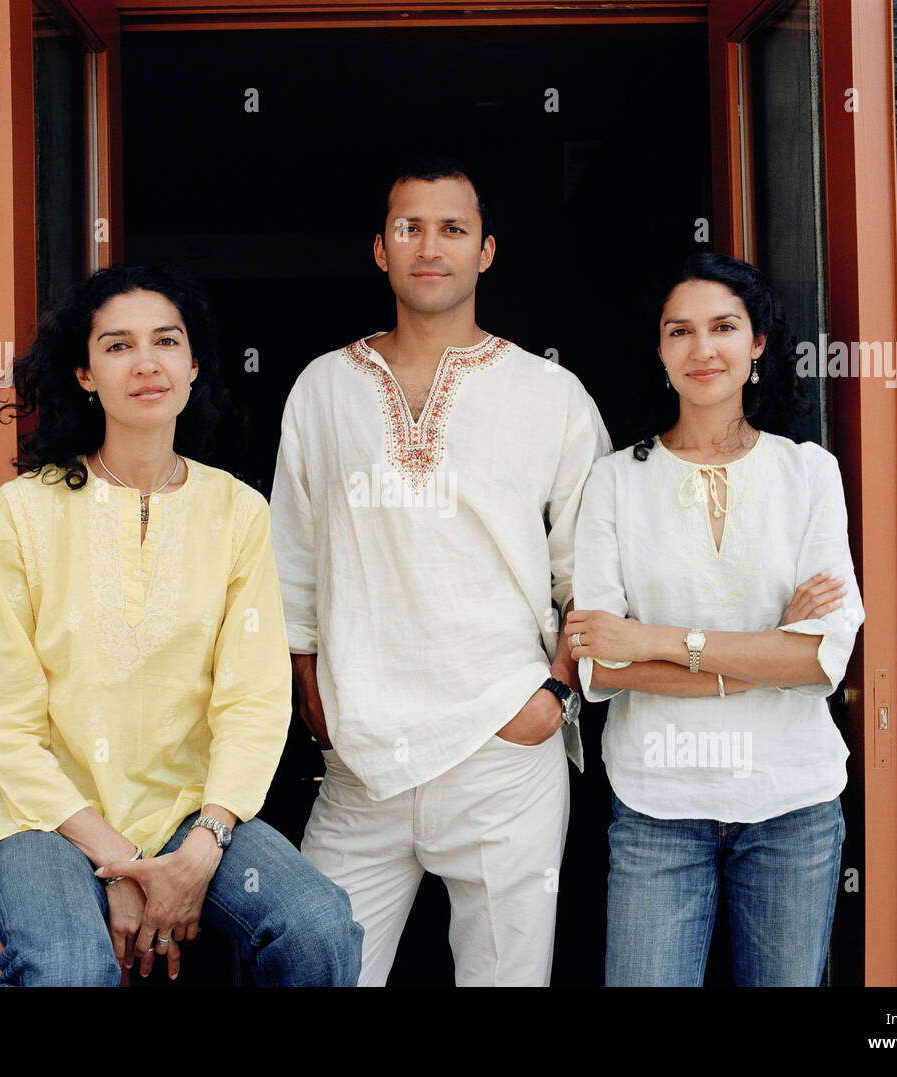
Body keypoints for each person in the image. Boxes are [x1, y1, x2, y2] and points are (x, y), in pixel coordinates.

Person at [0, 265, 362, 986]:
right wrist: (117, 862)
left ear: (193, 364)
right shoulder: (26, 510)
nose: (146, 363)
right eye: (117, 346)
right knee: (71, 968)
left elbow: (254, 703)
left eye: (166, 341)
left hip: (185, 814)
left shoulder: (238, 513)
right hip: (43, 817)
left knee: (317, 925)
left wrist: (202, 848)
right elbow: (1, 718)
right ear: (84, 372)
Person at [270, 156, 611, 986]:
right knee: (321, 966)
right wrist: (308, 682)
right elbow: (292, 556)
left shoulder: (550, 392)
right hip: (362, 761)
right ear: (380, 250)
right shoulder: (323, 388)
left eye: (452, 228)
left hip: (502, 749)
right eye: (408, 227)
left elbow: (595, 567)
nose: (431, 245)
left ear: (486, 251)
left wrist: (555, 696)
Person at [567, 252, 864, 986]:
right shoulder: (614, 481)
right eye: (680, 331)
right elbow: (601, 663)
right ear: (660, 349)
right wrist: (764, 651)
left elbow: (820, 660)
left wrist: (658, 641)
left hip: (792, 800)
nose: (703, 349)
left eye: (724, 326)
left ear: (758, 341)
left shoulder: (808, 472)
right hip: (657, 802)